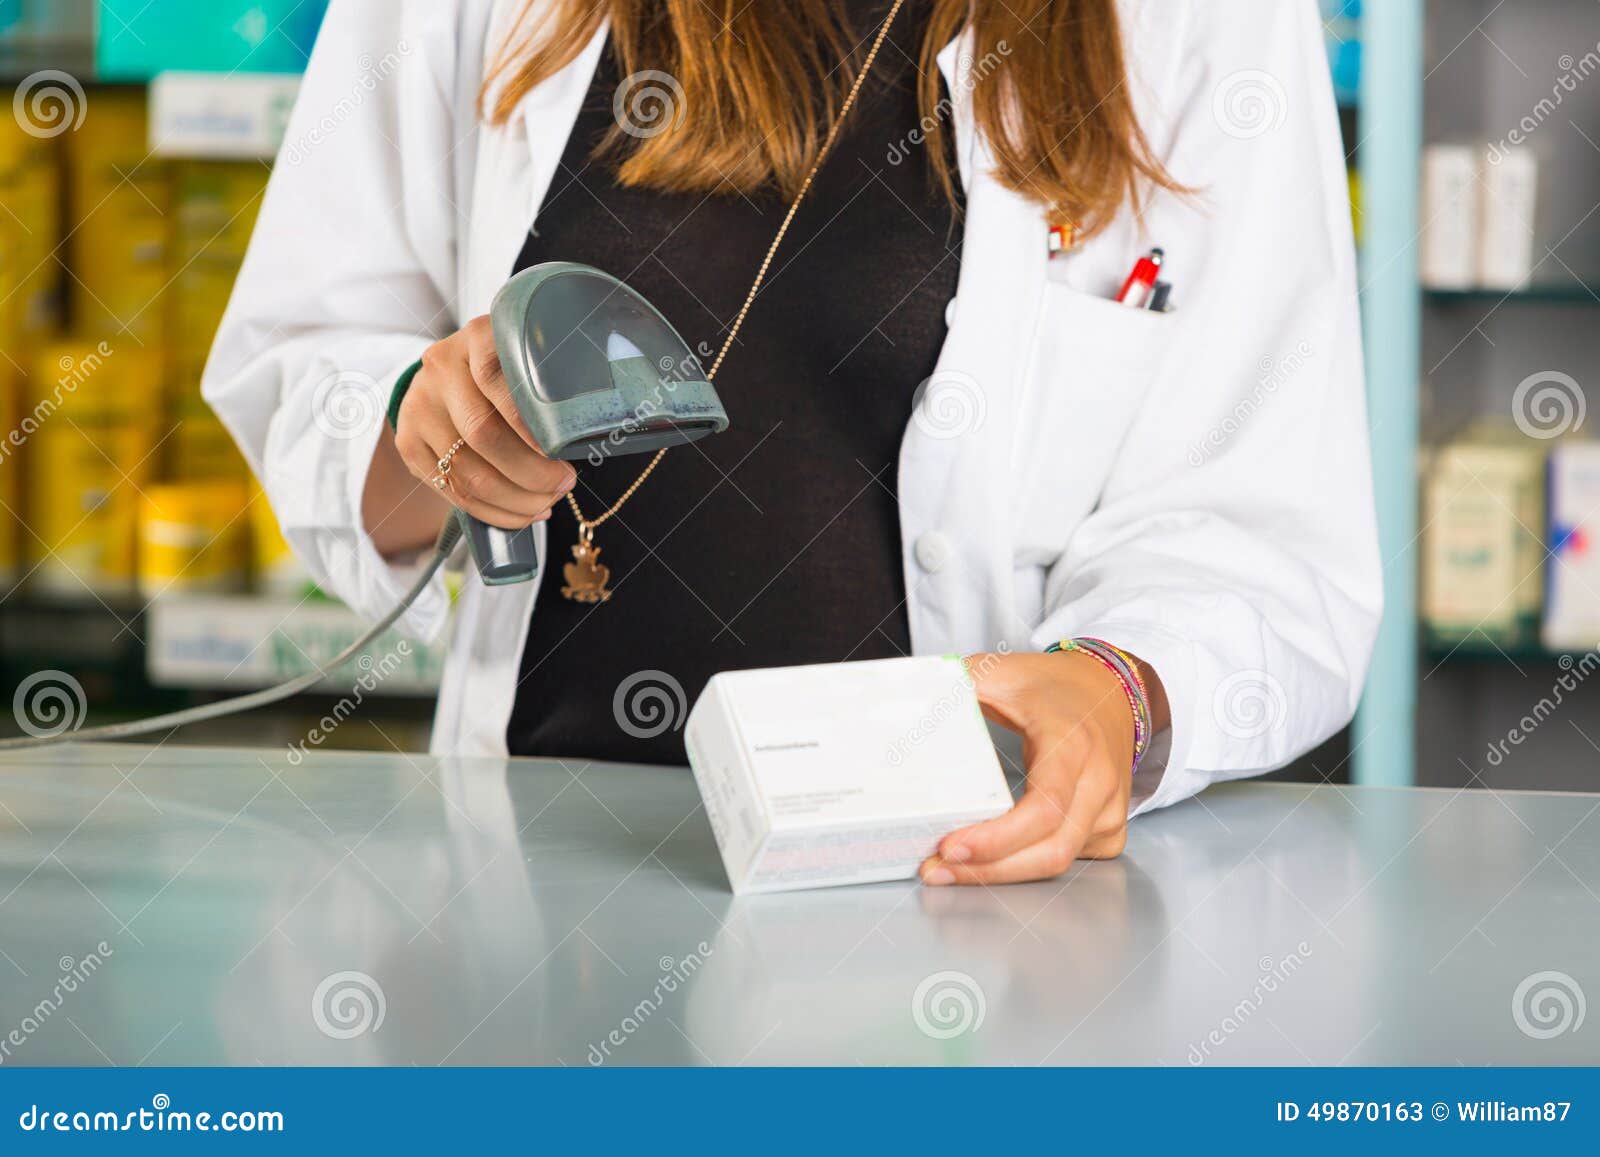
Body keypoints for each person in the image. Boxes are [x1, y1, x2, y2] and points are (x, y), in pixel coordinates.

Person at [203, 0, 1381, 886]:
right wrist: (425, 429)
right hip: (547, 867)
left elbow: (1259, 521)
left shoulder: (1199, 20)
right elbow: (309, 354)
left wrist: (1116, 685)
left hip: (964, 886)